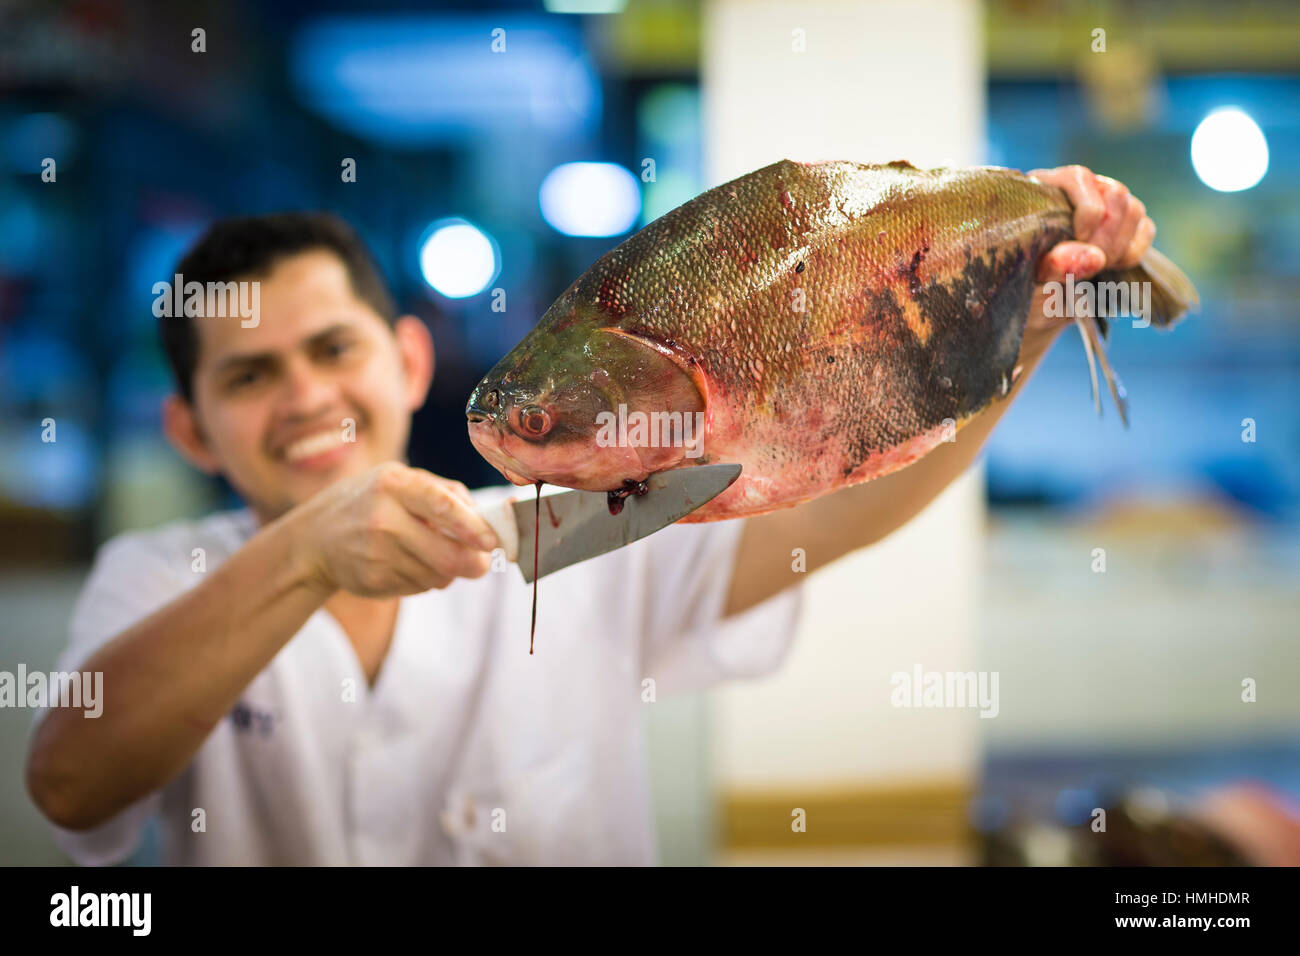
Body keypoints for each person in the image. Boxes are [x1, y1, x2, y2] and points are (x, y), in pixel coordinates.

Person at [25, 167, 1156, 865]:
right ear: (188, 428)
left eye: (334, 350)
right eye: (249, 375)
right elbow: (72, 784)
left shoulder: (582, 526)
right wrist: (303, 556)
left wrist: (1036, 316)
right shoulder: (158, 572)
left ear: (409, 359)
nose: (308, 397)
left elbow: (846, 513)